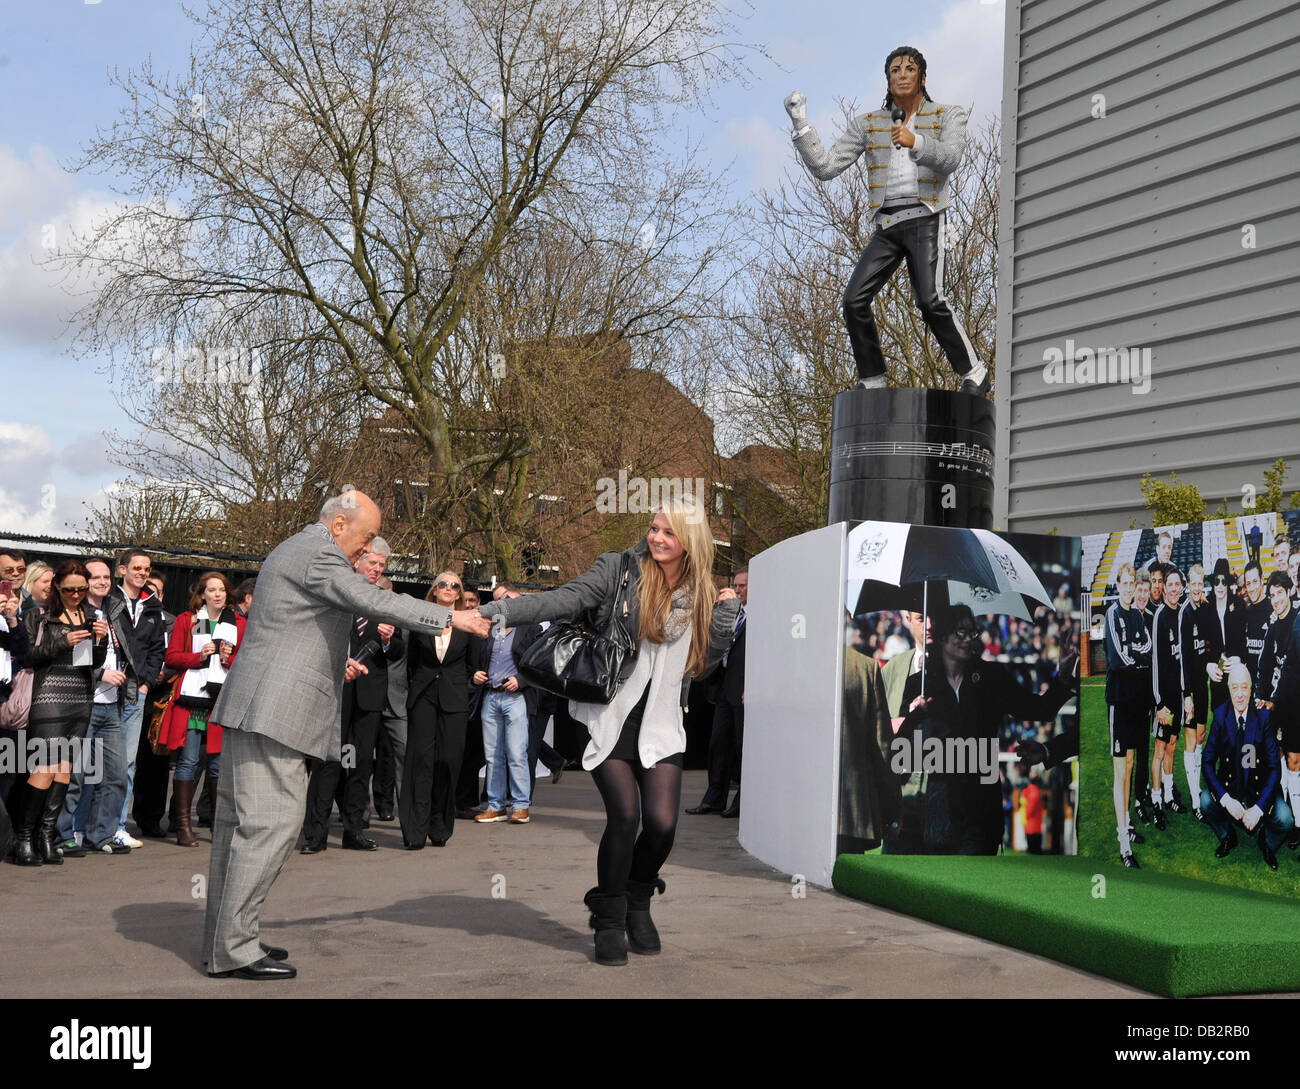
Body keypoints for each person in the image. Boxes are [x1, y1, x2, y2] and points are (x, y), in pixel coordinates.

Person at [202, 491, 490, 980]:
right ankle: (235, 947)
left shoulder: (299, 549)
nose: (366, 551)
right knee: (271, 825)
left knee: (240, 830)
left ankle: (230, 940)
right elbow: (370, 598)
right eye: (363, 540)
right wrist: (451, 616)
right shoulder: (319, 553)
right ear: (338, 524)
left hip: (258, 707)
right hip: (275, 710)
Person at [478, 501, 740, 966]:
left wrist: (723, 622)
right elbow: (563, 599)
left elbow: (702, 667)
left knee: (661, 826)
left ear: (690, 542)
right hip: (611, 715)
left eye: (669, 533)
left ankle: (637, 900)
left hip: (660, 724)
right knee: (625, 816)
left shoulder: (700, 591)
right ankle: (609, 919)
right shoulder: (619, 570)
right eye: (654, 528)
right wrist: (500, 611)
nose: (657, 538)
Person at [785, 47, 986, 395]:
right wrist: (801, 123)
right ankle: (873, 380)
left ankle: (975, 371)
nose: (902, 74)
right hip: (887, 225)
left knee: (929, 298)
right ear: (888, 80)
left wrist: (916, 141)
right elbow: (826, 167)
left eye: (910, 69)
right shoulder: (869, 124)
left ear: (922, 78)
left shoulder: (946, 114)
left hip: (926, 216)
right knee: (853, 300)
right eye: (895, 70)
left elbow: (951, 158)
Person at [896, 605, 1077, 855]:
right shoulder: (919, 684)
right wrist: (915, 715)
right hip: (939, 807)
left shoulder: (992, 677)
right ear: (943, 635)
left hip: (982, 809)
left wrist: (1063, 677)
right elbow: (903, 749)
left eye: (973, 633)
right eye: (961, 632)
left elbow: (1039, 710)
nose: (968, 639)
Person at [301, 540, 402, 853]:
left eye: (382, 567)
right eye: (372, 563)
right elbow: (316, 640)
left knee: (359, 766)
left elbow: (399, 653)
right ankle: (315, 835)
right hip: (336, 690)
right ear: (358, 561)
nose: (376, 570)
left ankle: (354, 831)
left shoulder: (383, 601)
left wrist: (389, 641)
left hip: (369, 697)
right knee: (328, 762)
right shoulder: (336, 596)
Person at [11, 562, 109, 864]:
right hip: (48, 697)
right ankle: (24, 838)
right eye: (70, 589)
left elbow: (88, 663)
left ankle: (46, 835)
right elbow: (26, 656)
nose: (76, 594)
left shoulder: (88, 615)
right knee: (44, 767)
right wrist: (61, 641)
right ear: (57, 587)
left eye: (82, 589)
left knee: (63, 768)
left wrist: (100, 641)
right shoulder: (40, 615)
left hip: (79, 698)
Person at [56, 558, 143, 857]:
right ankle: (63, 836)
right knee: (76, 776)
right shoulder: (79, 614)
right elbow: (76, 662)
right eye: (96, 577)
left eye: (106, 576)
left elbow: (129, 653)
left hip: (113, 707)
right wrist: (100, 674)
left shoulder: (115, 609)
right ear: (83, 582)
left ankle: (101, 835)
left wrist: (133, 679)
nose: (103, 582)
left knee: (117, 775)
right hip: (84, 705)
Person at [158, 572, 246, 848]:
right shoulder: (189, 620)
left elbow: (246, 663)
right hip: (192, 698)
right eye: (212, 590)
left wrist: (227, 659)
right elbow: (171, 658)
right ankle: (183, 827)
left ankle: (218, 827)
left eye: (222, 590)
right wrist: (200, 657)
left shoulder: (240, 623)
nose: (218, 594)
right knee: (189, 761)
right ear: (202, 594)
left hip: (223, 700)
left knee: (219, 766)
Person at [398, 572, 483, 850]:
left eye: (454, 585)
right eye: (443, 584)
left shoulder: (467, 626)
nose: (448, 588)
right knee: (420, 760)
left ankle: (440, 827)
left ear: (459, 594)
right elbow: (411, 663)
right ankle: (414, 830)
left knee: (447, 762)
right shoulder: (420, 620)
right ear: (434, 591)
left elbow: (473, 666)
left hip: (454, 700)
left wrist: (464, 687)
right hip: (423, 697)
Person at [1200, 663, 1293, 870]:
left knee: (1286, 819)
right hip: (1231, 790)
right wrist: (1225, 799)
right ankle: (1227, 836)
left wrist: (1259, 808)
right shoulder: (1220, 716)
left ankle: (1266, 842)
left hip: (1257, 792)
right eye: (1235, 687)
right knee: (1206, 801)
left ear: (1251, 689)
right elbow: (1207, 761)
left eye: (1244, 687)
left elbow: (1274, 768)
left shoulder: (1263, 718)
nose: (1240, 694)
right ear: (1229, 689)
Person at [110, 549, 166, 850]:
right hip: (104, 693)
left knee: (127, 764)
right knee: (95, 763)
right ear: (123, 569)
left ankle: (117, 826)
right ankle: (86, 828)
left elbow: (158, 650)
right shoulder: (109, 601)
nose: (142, 573)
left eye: (146, 568)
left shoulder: (153, 606)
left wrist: (145, 684)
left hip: (136, 694)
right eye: (137, 568)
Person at [472, 588, 541, 825]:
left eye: (511, 600)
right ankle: (496, 806)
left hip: (515, 698)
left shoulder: (531, 630)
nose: (505, 603)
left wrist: (521, 680)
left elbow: (541, 665)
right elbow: (476, 659)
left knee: (516, 753)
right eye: (502, 600)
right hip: (490, 696)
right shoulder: (489, 630)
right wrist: (476, 674)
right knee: (492, 755)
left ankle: (521, 805)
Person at [687, 568, 748, 818]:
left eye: (743, 585)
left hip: (744, 690)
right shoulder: (731, 613)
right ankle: (714, 799)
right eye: (736, 584)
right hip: (723, 687)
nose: (738, 589)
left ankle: (741, 802)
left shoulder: (764, 616)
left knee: (741, 748)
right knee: (718, 745)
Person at [1149, 566, 1187, 824]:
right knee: (1159, 750)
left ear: (1181, 588)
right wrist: (1159, 703)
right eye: (1169, 585)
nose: (1173, 589)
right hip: (1164, 701)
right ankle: (1156, 799)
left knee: (1172, 746)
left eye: (1176, 585)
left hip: (1178, 697)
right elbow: (1155, 664)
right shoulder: (1160, 617)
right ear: (1164, 589)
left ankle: (1170, 794)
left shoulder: (1183, 614)